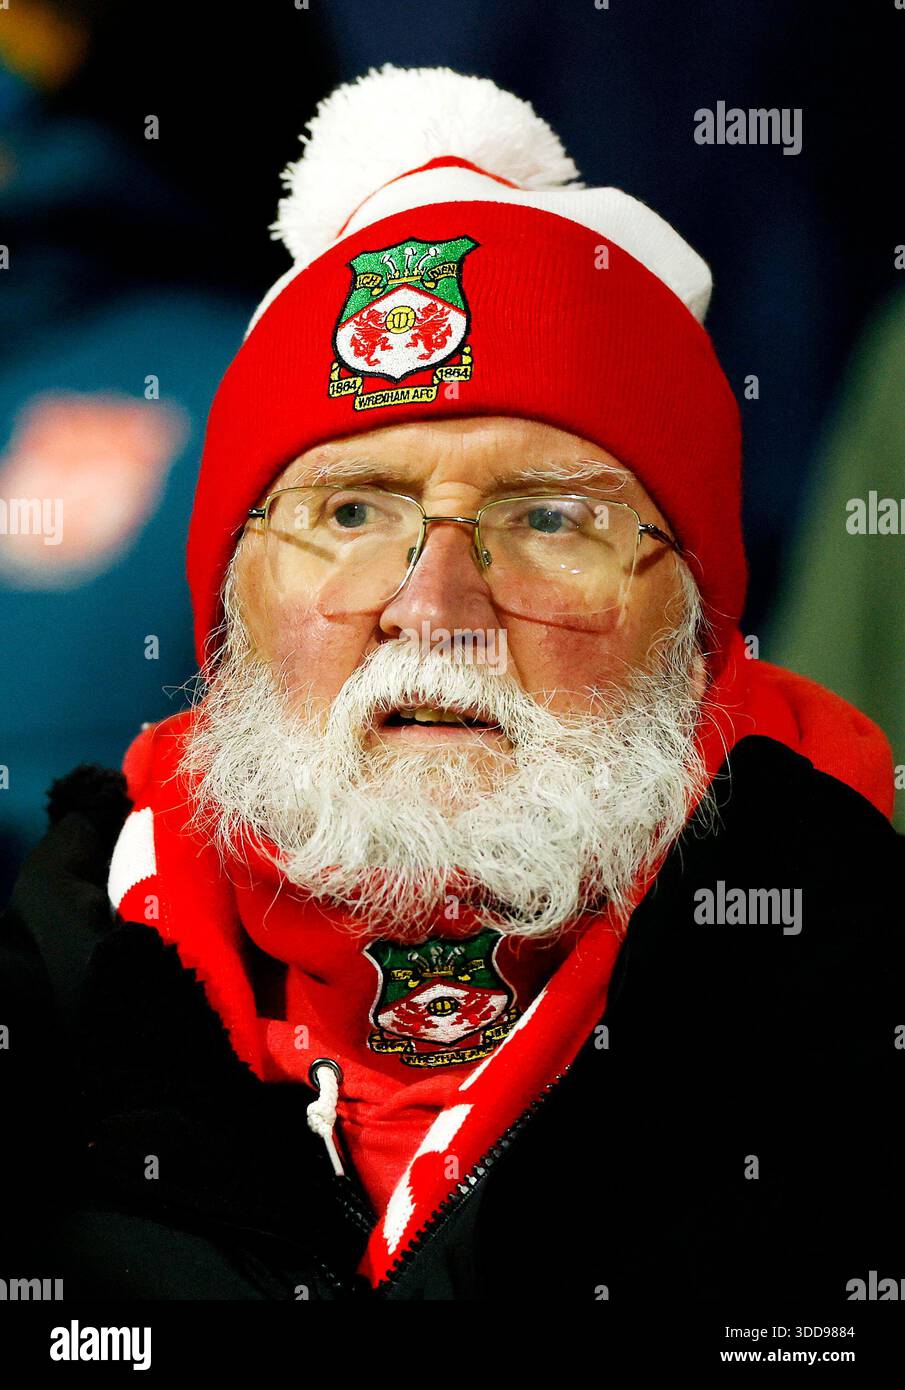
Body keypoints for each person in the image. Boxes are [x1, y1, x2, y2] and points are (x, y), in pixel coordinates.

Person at [2, 66, 901, 1303]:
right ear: (231, 606)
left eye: (544, 518)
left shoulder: (856, 1049)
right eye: (353, 510)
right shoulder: (45, 1017)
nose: (432, 605)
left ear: (693, 629)